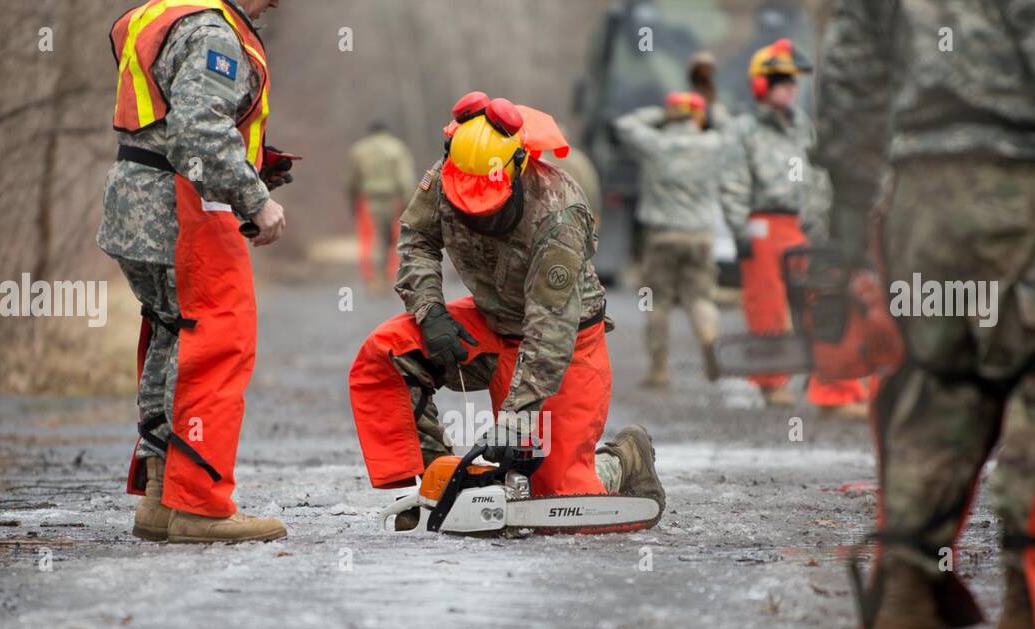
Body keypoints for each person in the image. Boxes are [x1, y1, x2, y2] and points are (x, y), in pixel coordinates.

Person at [816, 0, 1035, 629]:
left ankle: (904, 609)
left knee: (936, 392)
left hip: (914, 197)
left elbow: (846, 81)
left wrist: (847, 220)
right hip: (1019, 187)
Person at [348, 92, 664, 517]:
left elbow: (550, 329)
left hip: (564, 343)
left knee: (559, 505)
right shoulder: (446, 174)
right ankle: (439, 480)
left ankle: (623, 460)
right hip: (491, 324)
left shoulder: (558, 214)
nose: (477, 214)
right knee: (385, 354)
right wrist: (430, 310)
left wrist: (516, 417)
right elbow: (416, 238)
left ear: (515, 171)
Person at [99, 0, 289, 544]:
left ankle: (162, 497)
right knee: (214, 344)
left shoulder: (175, 14)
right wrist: (256, 199)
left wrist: (252, 163)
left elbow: (173, 125)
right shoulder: (215, 33)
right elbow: (199, 132)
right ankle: (201, 506)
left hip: (135, 205)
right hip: (173, 213)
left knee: (171, 335)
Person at [719, 39, 866, 415]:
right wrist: (739, 230)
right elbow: (733, 180)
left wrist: (823, 223)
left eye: (792, 81)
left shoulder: (804, 127)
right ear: (761, 85)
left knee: (823, 302)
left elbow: (818, 179)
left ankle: (830, 385)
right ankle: (771, 381)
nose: (789, 87)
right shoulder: (744, 129)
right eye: (781, 80)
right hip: (763, 223)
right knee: (766, 304)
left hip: (804, 226)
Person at [615, 92, 723, 387]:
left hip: (661, 236)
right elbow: (732, 126)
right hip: (700, 235)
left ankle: (659, 370)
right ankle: (710, 339)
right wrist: (711, 115)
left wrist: (660, 115)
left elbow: (624, 125)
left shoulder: (655, 144)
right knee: (700, 298)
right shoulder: (713, 144)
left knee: (657, 302)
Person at [345, 122, 416, 295]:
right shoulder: (397, 148)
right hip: (394, 199)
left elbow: (351, 181)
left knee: (371, 240)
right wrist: (409, 204)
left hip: (368, 199)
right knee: (393, 239)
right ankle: (391, 278)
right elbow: (406, 178)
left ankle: (373, 281)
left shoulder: (358, 150)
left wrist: (353, 203)